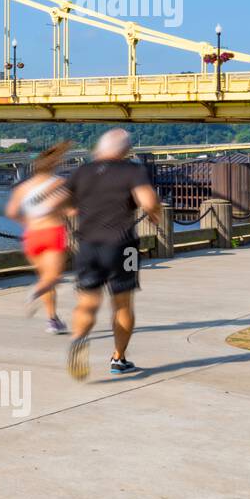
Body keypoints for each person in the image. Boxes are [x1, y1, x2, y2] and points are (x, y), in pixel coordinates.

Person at [63, 129, 162, 379]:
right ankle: (119, 358)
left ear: (100, 148)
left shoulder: (82, 172)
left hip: (88, 245)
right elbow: (149, 202)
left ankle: (78, 339)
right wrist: (154, 214)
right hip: (123, 246)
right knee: (122, 303)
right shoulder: (132, 171)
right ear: (125, 151)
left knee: (87, 301)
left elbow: (62, 204)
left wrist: (77, 211)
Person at [5, 142, 72, 334]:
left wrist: (26, 220)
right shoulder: (58, 183)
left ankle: (53, 320)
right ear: (54, 165)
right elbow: (66, 207)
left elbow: (11, 211)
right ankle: (34, 292)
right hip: (53, 232)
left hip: (31, 236)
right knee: (53, 278)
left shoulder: (23, 187)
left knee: (45, 278)